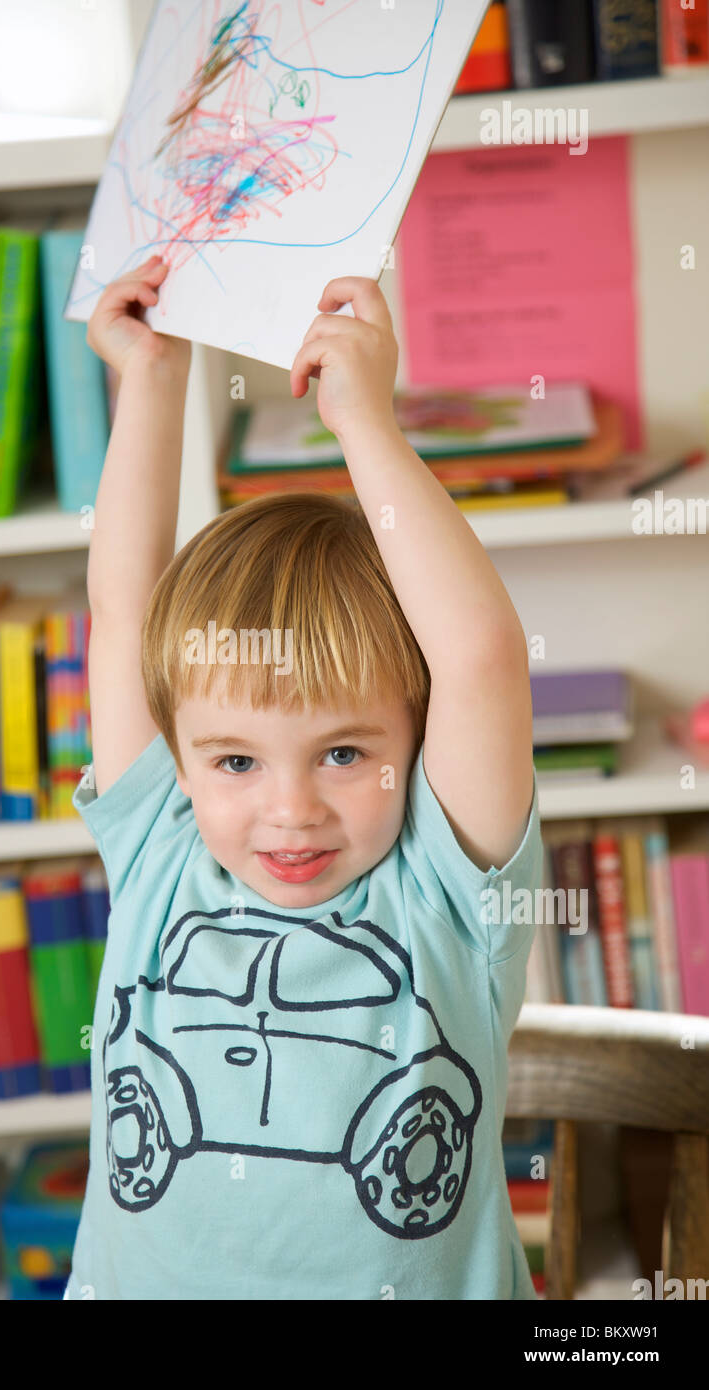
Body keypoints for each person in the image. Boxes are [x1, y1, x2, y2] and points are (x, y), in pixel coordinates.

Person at [63, 254, 542, 1300]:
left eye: (344, 753)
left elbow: (480, 656)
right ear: (183, 757)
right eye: (235, 760)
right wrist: (149, 378)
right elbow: (125, 615)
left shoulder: (444, 897)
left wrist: (365, 421)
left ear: (415, 742)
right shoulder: (160, 852)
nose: (289, 809)